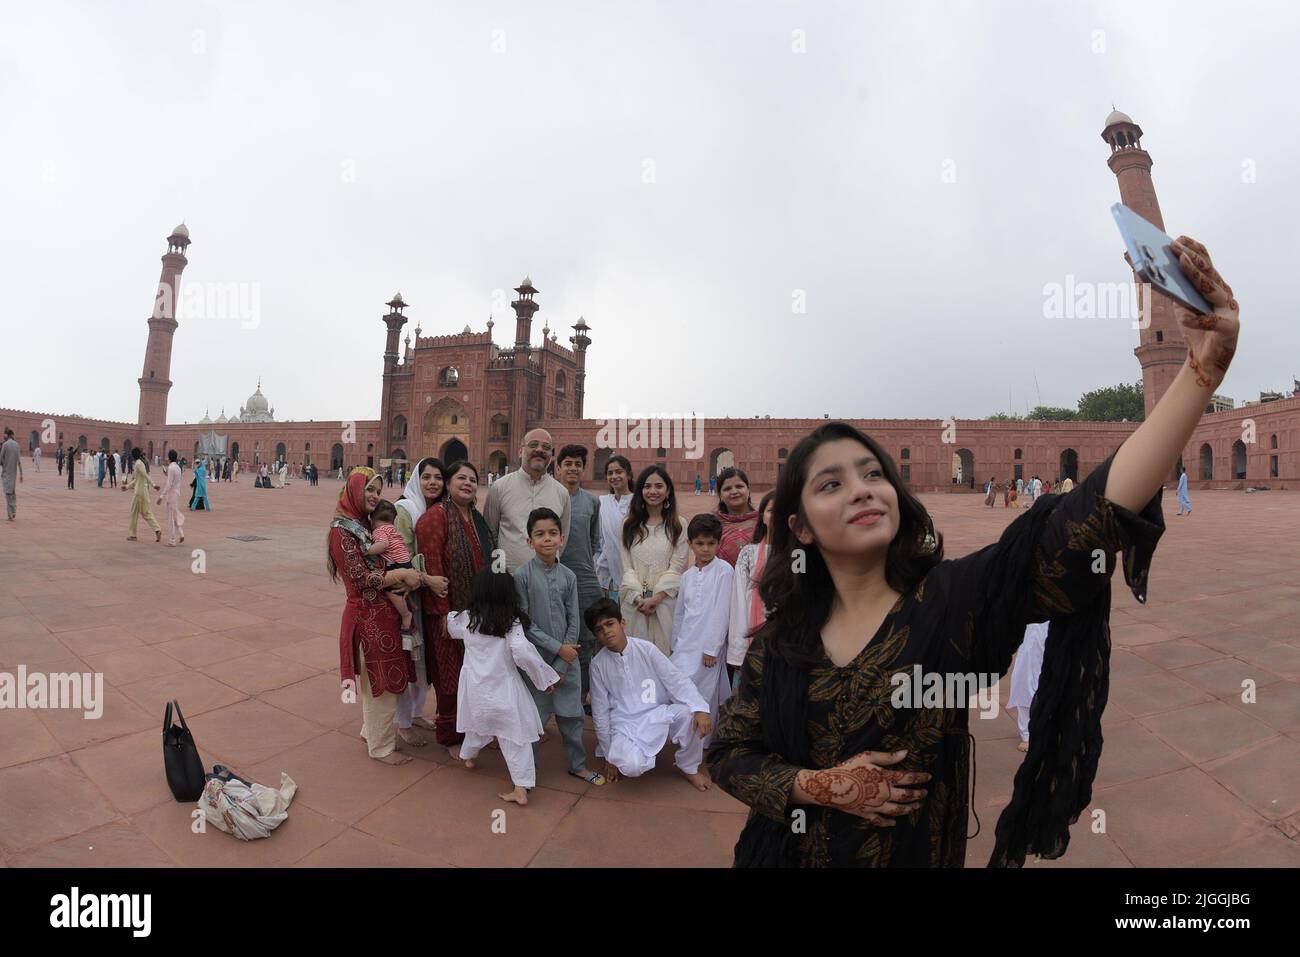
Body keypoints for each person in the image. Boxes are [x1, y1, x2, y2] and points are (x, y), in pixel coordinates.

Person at [707, 242, 1236, 871]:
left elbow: (1081, 522)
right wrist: (815, 786)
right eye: (831, 483)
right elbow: (730, 752)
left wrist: (1199, 372)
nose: (861, 489)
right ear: (800, 527)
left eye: (873, 473)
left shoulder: (950, 603)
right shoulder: (781, 642)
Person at [328, 468, 423, 765]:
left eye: (378, 491)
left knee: (378, 681)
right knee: (382, 683)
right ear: (354, 489)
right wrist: (401, 575)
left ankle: (372, 733)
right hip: (367, 616)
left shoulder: (359, 525)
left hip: (380, 614)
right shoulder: (342, 530)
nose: (374, 496)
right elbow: (358, 577)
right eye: (369, 489)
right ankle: (381, 748)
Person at [449, 569, 560, 805]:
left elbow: (451, 627)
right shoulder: (511, 621)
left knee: (477, 725)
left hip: (476, 690)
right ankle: (521, 788)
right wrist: (544, 679)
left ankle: (468, 757)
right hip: (505, 691)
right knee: (514, 739)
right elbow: (522, 652)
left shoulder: (467, 618)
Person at [514, 507, 605, 786]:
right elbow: (525, 623)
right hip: (536, 662)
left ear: (561, 539)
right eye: (539, 534)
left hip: (568, 661)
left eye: (553, 533)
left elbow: (574, 620)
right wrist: (556, 650)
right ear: (529, 541)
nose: (547, 539)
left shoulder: (569, 576)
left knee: (572, 718)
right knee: (534, 720)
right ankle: (526, 774)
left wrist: (564, 660)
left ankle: (577, 765)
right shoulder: (522, 575)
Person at [586, 599, 713, 791]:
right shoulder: (597, 665)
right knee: (631, 767)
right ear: (596, 636)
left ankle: (689, 768)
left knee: (690, 713)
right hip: (625, 725)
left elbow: (675, 679)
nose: (606, 631)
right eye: (599, 629)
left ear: (622, 623)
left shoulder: (646, 649)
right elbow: (600, 712)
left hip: (657, 714)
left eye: (610, 624)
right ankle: (635, 752)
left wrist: (700, 707)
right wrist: (609, 756)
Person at [416, 460, 495, 747]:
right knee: (450, 678)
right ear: (449, 484)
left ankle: (474, 730)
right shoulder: (436, 517)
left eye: (472, 479)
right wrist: (442, 615)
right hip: (447, 614)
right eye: (461, 478)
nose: (467, 483)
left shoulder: (478, 518)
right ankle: (450, 736)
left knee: (476, 673)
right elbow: (433, 565)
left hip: (479, 612)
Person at [392, 457, 450, 742]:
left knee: (423, 659)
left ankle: (415, 713)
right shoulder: (405, 509)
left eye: (438, 478)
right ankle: (401, 722)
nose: (432, 483)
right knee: (410, 658)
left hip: (426, 597)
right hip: (409, 597)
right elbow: (400, 558)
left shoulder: (435, 510)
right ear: (416, 479)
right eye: (426, 477)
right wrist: (428, 579)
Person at [670, 514, 734, 743]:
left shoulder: (724, 571)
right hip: (685, 644)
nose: (705, 549)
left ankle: (702, 742)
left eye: (711, 543)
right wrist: (675, 643)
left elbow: (722, 612)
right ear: (690, 544)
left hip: (707, 648)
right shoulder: (687, 576)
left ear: (719, 543)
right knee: (682, 689)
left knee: (705, 693)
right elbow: (680, 612)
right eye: (700, 543)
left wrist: (712, 648)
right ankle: (681, 736)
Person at [619, 464, 688, 655]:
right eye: (647, 486)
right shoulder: (629, 525)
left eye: (659, 486)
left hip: (666, 604)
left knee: (665, 659)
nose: (653, 491)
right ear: (640, 491)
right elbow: (626, 567)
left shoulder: (678, 525)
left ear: (668, 492)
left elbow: (677, 566)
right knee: (635, 658)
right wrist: (639, 599)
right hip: (635, 605)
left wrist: (656, 598)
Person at [555, 444, 603, 706]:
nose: (573, 468)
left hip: (584, 577)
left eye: (578, 464)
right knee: (552, 637)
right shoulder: (548, 497)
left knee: (585, 640)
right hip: (553, 575)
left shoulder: (592, 502)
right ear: (558, 468)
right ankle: (550, 700)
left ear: (583, 469)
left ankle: (581, 696)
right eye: (568, 463)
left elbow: (594, 541)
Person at [484, 428, 571, 572]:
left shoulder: (561, 493)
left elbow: (563, 537)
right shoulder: (500, 487)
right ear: (520, 451)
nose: (540, 450)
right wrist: (499, 572)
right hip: (508, 579)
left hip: (547, 579)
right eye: (533, 445)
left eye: (546, 447)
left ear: (551, 454)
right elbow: (490, 533)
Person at [726, 490, 775, 684]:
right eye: (772, 510)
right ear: (762, 516)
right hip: (750, 632)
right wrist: (737, 652)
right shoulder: (748, 553)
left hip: (786, 639)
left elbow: (802, 597)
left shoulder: (797, 554)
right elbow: (738, 601)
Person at [367, 499, 419, 637]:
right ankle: (411, 605)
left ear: (372, 518)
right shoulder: (392, 528)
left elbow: (383, 545)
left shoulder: (379, 531)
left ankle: (406, 614)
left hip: (397, 564)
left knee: (392, 591)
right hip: (406, 562)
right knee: (402, 589)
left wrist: (367, 550)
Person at [594, 454, 633, 603]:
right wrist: (602, 576)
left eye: (619, 472)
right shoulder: (602, 503)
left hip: (635, 575)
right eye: (610, 473)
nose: (614, 476)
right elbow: (601, 542)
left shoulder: (638, 503)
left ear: (628, 474)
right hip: (609, 576)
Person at [1006, 621, 1050, 753]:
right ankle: (1027, 733)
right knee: (1024, 678)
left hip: (1056, 624)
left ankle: (1051, 726)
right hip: (1033, 625)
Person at [715, 466, 759, 566]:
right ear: (720, 496)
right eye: (727, 489)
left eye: (739, 486)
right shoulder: (713, 525)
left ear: (748, 490)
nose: (734, 492)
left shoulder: (764, 522)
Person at [122, 448, 162, 542]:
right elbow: (138, 479)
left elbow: (145, 475)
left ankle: (133, 535)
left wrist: (154, 484)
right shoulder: (140, 463)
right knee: (146, 512)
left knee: (134, 513)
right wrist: (127, 486)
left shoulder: (138, 464)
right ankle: (157, 529)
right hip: (143, 492)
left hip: (138, 493)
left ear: (133, 456)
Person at [157, 449, 186, 547]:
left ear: (169, 457)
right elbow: (175, 480)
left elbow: (169, 484)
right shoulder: (178, 467)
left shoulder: (171, 468)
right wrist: (166, 474)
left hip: (171, 494)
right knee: (174, 515)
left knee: (170, 518)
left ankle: (172, 540)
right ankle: (181, 534)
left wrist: (161, 495)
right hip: (177, 493)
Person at [1, 429, 23, 520]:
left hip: (6, 473)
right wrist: (21, 474)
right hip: (14, 474)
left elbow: (1, 458)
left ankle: (10, 514)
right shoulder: (17, 445)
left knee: (7, 493)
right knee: (12, 493)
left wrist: (4, 464)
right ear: (12, 435)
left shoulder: (5, 445)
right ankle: (13, 509)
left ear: (8, 435)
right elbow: (19, 461)